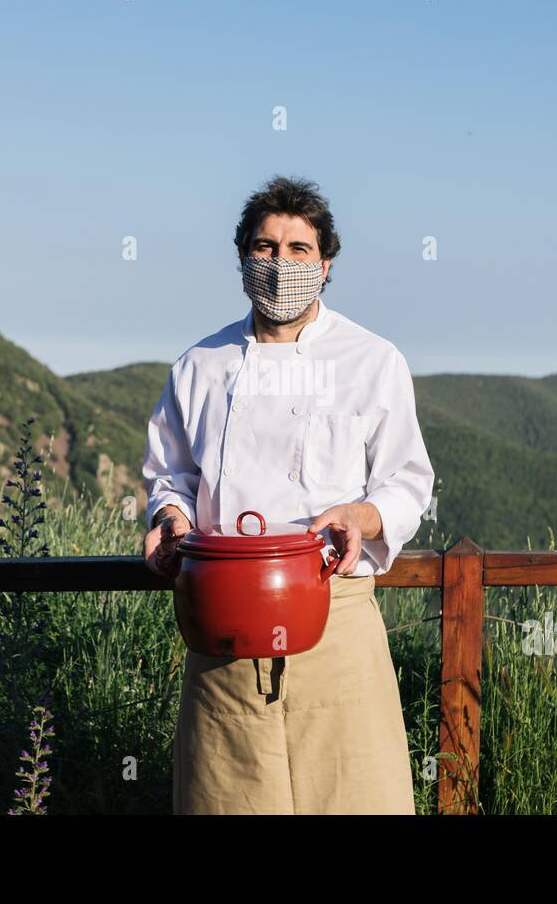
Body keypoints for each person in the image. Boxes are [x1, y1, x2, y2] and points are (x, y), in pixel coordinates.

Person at [141, 174, 435, 814]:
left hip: (334, 615)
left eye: (298, 250)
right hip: (221, 621)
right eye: (264, 247)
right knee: (226, 798)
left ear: (326, 264)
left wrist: (363, 515)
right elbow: (172, 474)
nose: (280, 264)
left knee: (355, 796)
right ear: (242, 258)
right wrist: (169, 515)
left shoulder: (372, 361)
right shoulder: (199, 366)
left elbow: (409, 480)